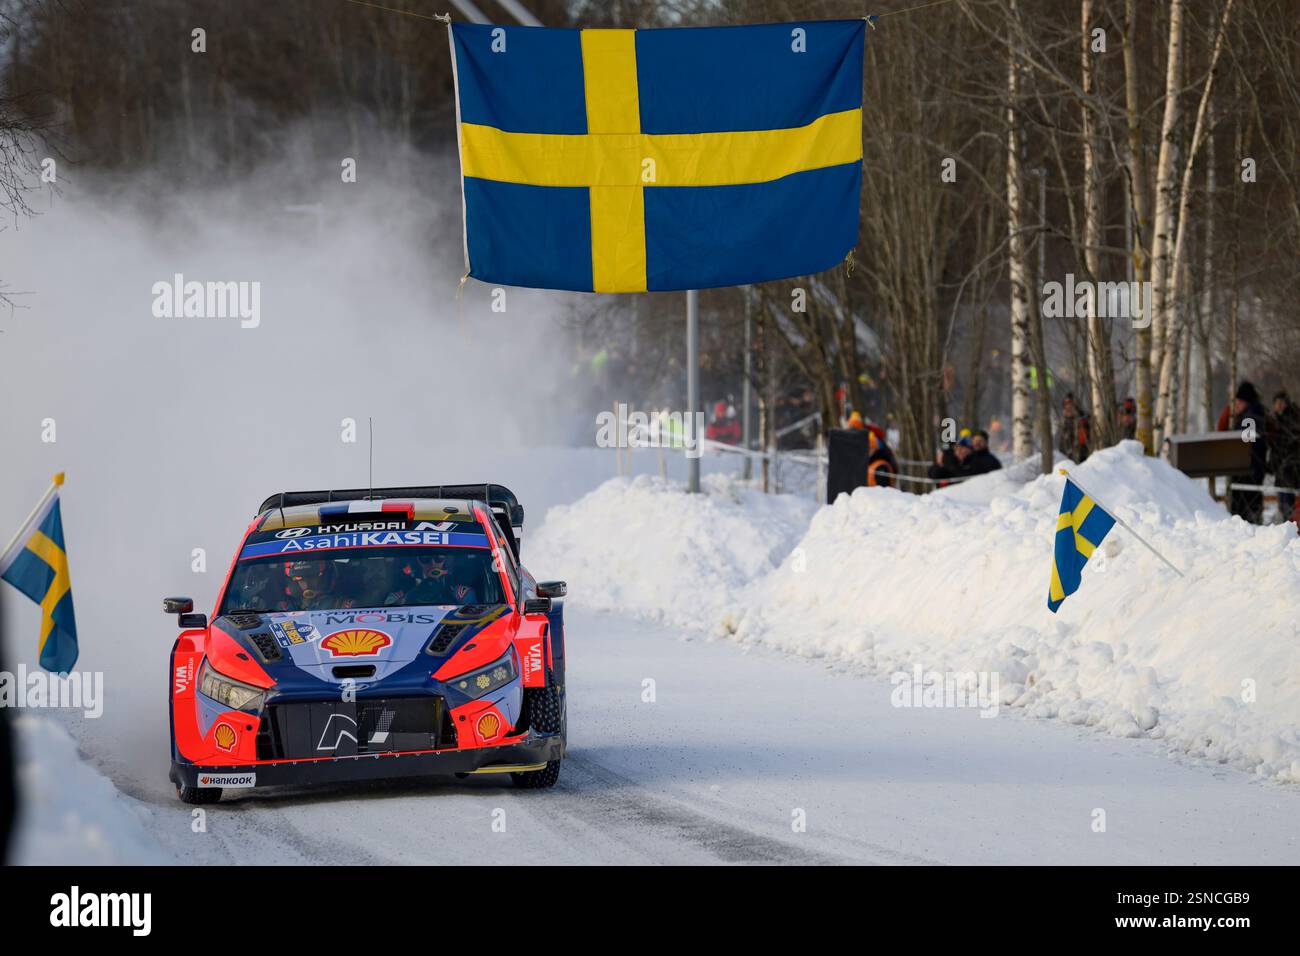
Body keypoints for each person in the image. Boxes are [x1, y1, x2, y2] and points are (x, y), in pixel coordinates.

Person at [1223, 381, 1270, 524]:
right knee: (1251, 509)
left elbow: (1246, 445)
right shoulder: (1254, 414)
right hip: (1252, 470)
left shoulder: (1249, 418)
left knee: (1244, 515)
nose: (1236, 405)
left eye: (1239, 401)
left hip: (1247, 472)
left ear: (1246, 402)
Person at [1269, 390, 1300, 522]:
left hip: (1291, 470)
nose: (1279, 406)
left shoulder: (1292, 419)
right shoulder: (1276, 420)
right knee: (1284, 504)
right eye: (1276, 403)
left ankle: (1292, 528)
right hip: (1281, 469)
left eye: (1281, 402)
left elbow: (1291, 443)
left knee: (1289, 504)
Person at [1058, 393, 1091, 462]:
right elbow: (1061, 445)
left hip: (1080, 460)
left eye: (1070, 404)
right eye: (1065, 404)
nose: (1068, 407)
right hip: (1066, 460)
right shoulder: (1064, 423)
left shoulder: (1083, 421)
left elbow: (1084, 444)